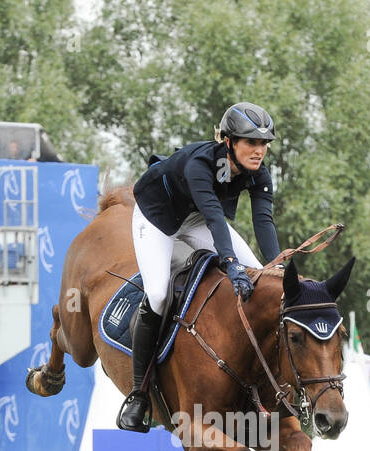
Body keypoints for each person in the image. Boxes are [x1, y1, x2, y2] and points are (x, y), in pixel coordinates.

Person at [117, 102, 281, 431]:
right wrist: (231, 265)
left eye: (264, 144)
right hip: (158, 219)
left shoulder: (259, 173)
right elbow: (215, 218)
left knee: (263, 279)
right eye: (251, 142)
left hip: (197, 220)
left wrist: (277, 266)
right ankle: (138, 394)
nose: (259, 150)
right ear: (228, 142)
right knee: (159, 294)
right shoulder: (201, 164)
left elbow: (263, 221)